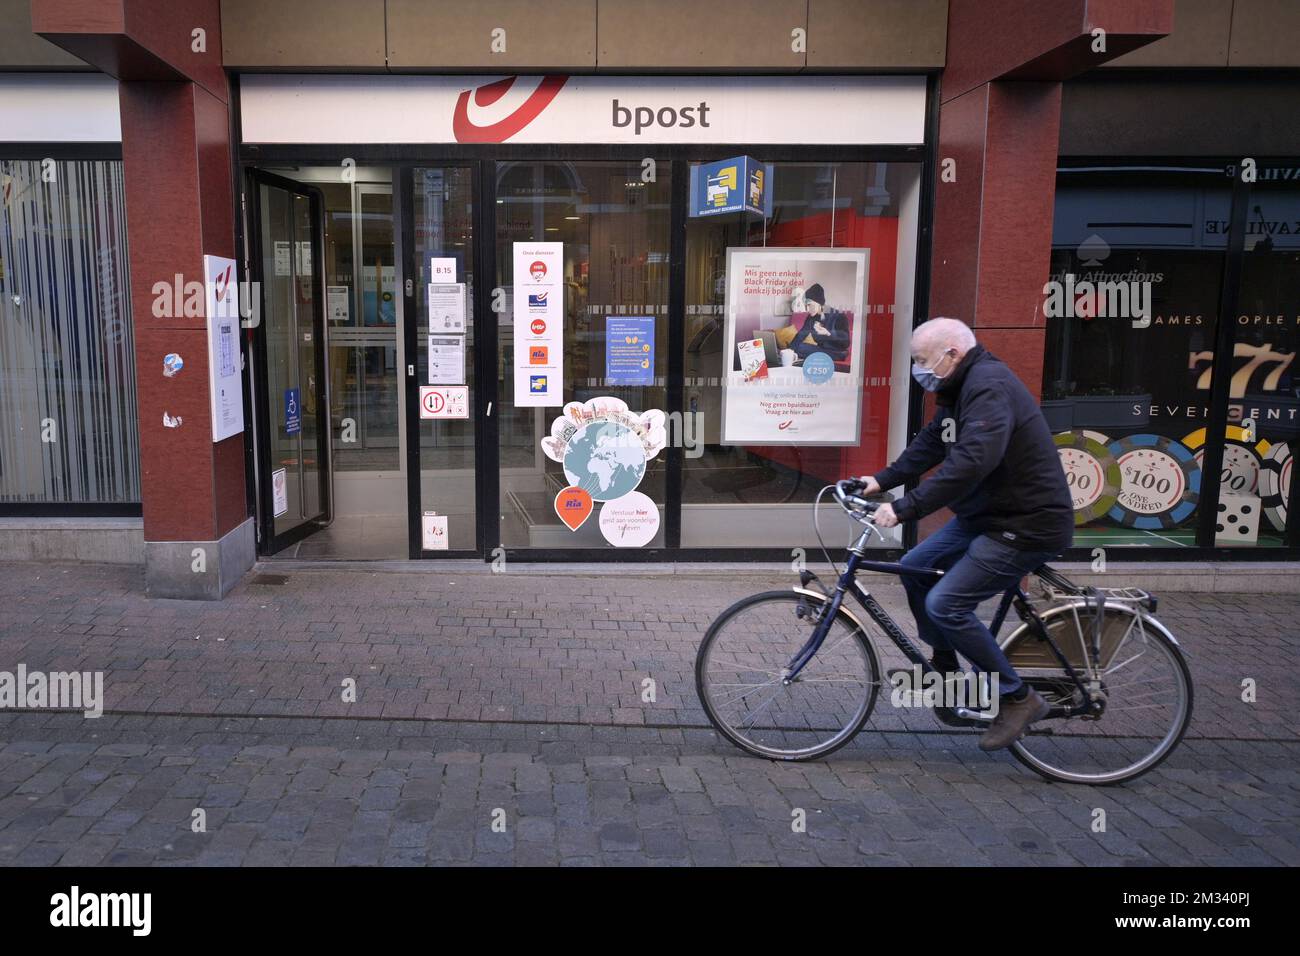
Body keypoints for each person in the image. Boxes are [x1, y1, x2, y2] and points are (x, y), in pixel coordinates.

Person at [860, 317, 1074, 751]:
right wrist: (880, 481)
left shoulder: (988, 386)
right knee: (916, 566)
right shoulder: (962, 388)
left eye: (922, 360)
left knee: (947, 604)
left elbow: (972, 461)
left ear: (951, 354)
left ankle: (1018, 698)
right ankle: (946, 669)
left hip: (1024, 524)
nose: (919, 370)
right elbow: (934, 443)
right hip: (987, 516)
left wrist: (905, 508)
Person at [790, 283, 850, 361]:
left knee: (801, 348)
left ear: (819, 302)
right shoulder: (811, 317)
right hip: (821, 350)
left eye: (809, 305)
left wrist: (829, 333)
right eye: (805, 306)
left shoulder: (839, 316)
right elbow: (800, 335)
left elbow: (846, 342)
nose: (807, 309)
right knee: (798, 346)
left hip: (837, 352)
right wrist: (789, 351)